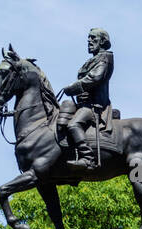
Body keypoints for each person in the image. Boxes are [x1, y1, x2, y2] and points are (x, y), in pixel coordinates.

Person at [57, 28, 114, 170]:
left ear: (102, 41)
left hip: (94, 106)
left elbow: (94, 78)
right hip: (83, 104)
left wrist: (73, 87)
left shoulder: (105, 58)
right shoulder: (92, 60)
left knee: (73, 125)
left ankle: (88, 158)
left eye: (93, 38)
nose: (89, 41)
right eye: (88, 38)